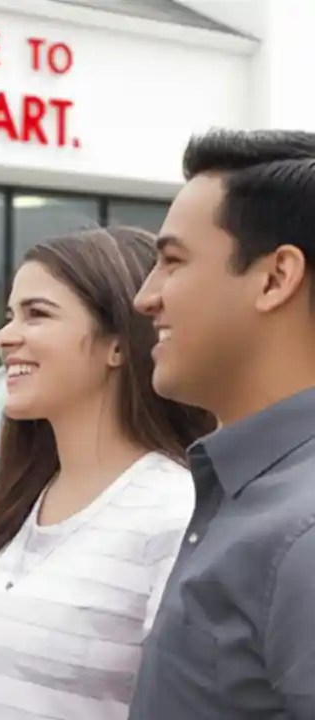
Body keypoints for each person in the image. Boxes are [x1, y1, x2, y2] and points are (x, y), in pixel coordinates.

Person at [0, 227, 216, 719]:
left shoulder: (175, 512)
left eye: (36, 314)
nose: (4, 337)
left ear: (120, 345)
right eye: (9, 316)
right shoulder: (23, 501)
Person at [127, 130, 315, 718]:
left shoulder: (300, 534)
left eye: (173, 261)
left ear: (275, 278)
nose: (144, 297)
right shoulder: (244, 492)